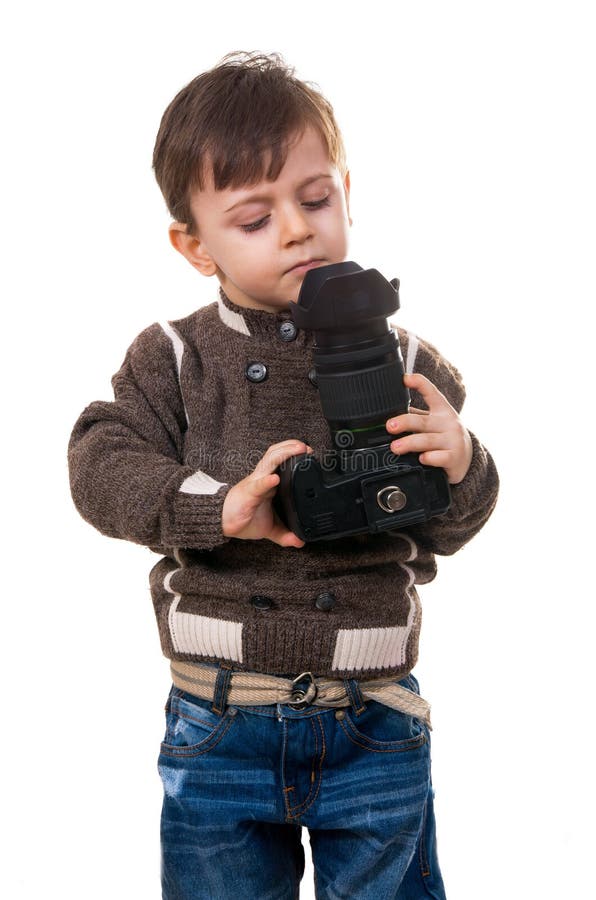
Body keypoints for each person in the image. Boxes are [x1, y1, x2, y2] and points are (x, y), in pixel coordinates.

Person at [68, 51, 499, 900]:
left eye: (315, 199)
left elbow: (452, 522)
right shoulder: (178, 355)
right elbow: (97, 461)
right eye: (254, 219)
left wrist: (463, 463)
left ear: (346, 191)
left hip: (373, 713)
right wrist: (217, 509)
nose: (299, 230)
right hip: (217, 714)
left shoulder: (408, 356)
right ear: (195, 246)